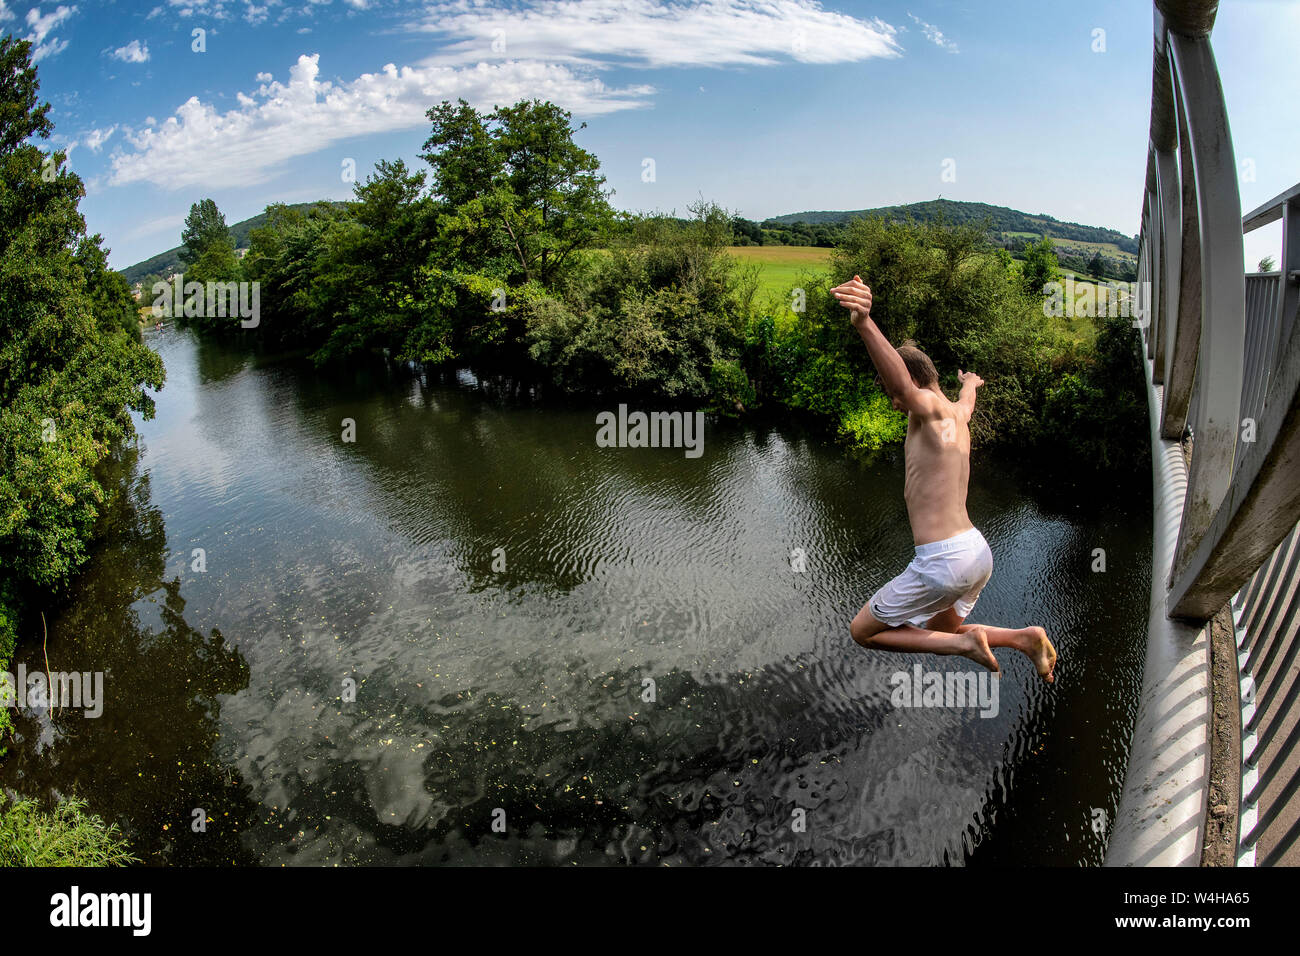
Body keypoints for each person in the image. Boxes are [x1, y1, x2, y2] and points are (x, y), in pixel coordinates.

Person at [832, 275, 1056, 682]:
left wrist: (865, 323)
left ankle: (965, 646)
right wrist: (969, 383)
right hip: (977, 553)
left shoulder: (930, 409)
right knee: (944, 628)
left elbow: (902, 383)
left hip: (943, 561)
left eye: (890, 391)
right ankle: (1026, 638)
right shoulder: (956, 414)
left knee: (862, 631)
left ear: (911, 381)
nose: (893, 401)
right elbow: (968, 401)